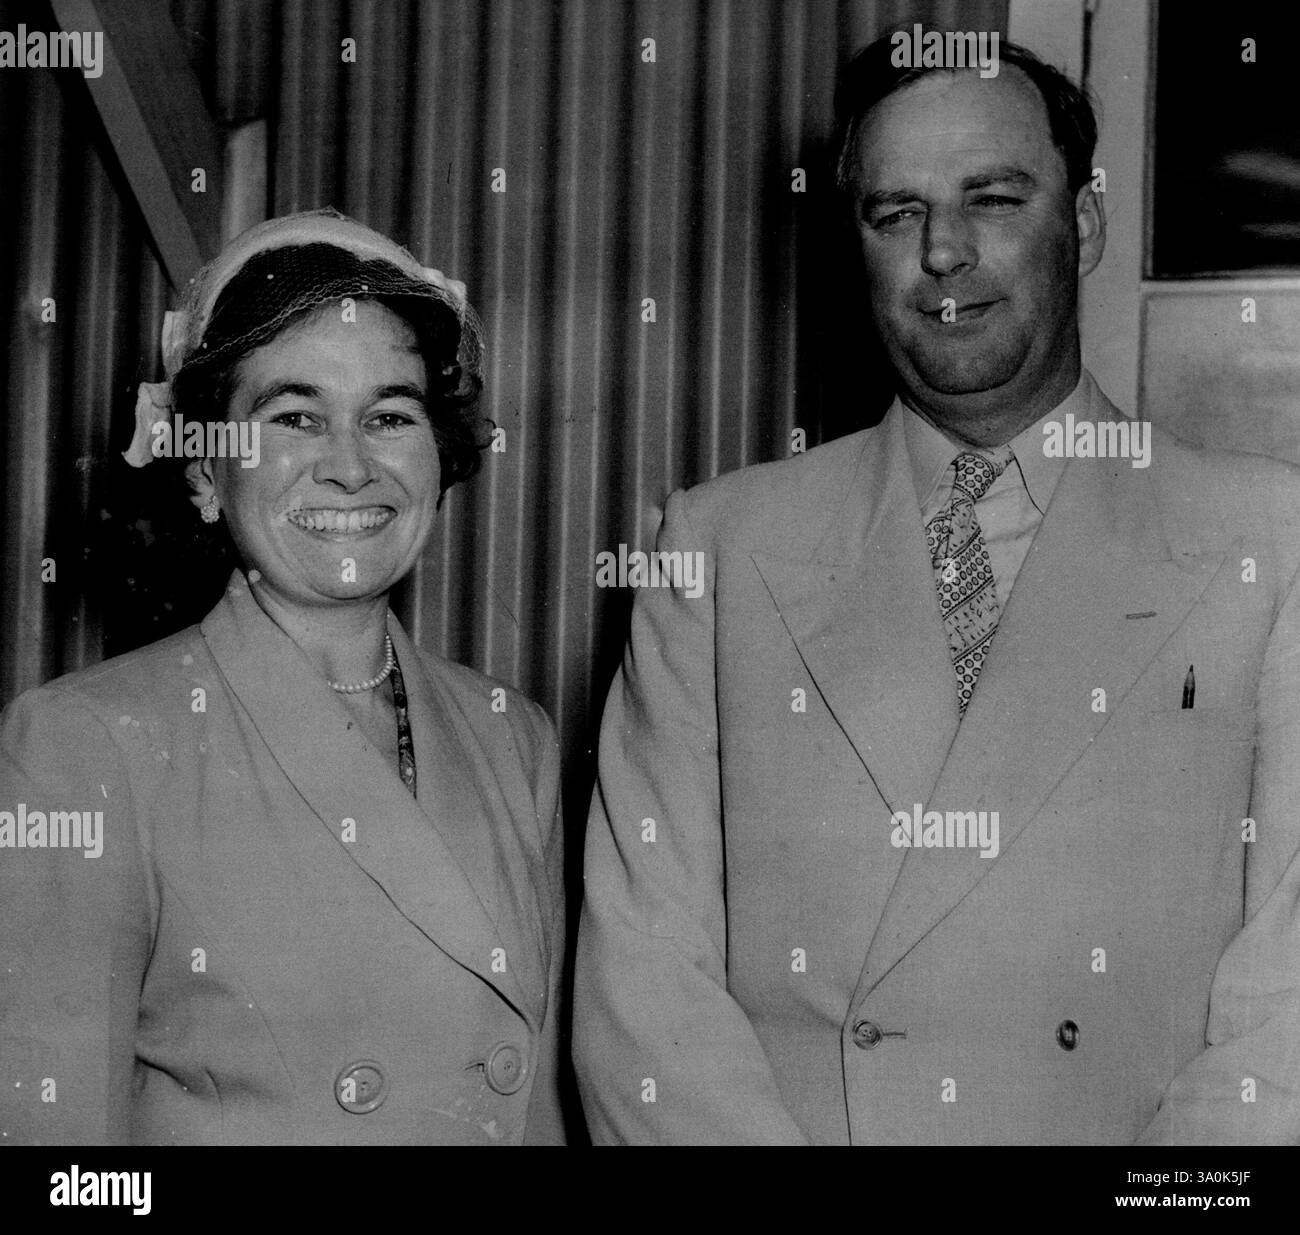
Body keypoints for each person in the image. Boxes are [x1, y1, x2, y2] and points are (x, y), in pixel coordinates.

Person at [573, 35, 1300, 1144]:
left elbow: (1283, 1013)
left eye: (993, 199)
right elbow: (645, 988)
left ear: (1086, 225)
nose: (943, 252)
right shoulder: (716, 546)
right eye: (893, 213)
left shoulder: (1267, 537)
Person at [0, 209, 566, 1144]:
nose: (350, 466)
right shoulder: (84, 747)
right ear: (204, 474)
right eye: (294, 417)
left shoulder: (514, 736)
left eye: (390, 415)